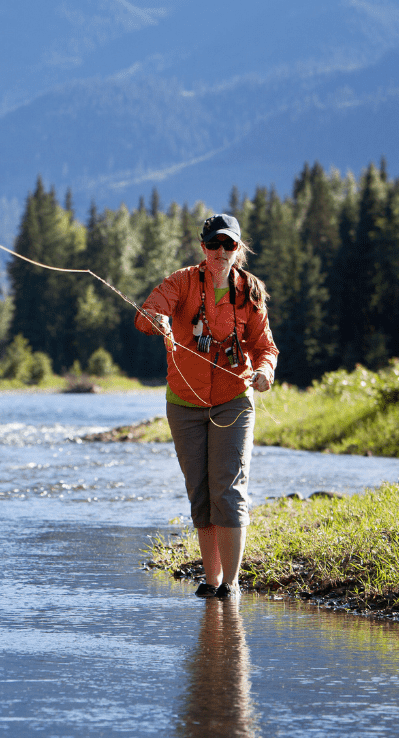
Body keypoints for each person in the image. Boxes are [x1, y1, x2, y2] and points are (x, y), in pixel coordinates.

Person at [134, 213, 277, 599]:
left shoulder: (249, 292)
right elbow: (146, 314)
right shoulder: (181, 282)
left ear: (238, 249)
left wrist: (265, 371)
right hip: (184, 402)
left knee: (227, 490)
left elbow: (265, 347)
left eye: (227, 244)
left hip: (233, 399)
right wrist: (157, 320)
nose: (219, 251)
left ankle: (231, 585)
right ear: (203, 248)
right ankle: (211, 581)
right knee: (200, 493)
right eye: (213, 244)